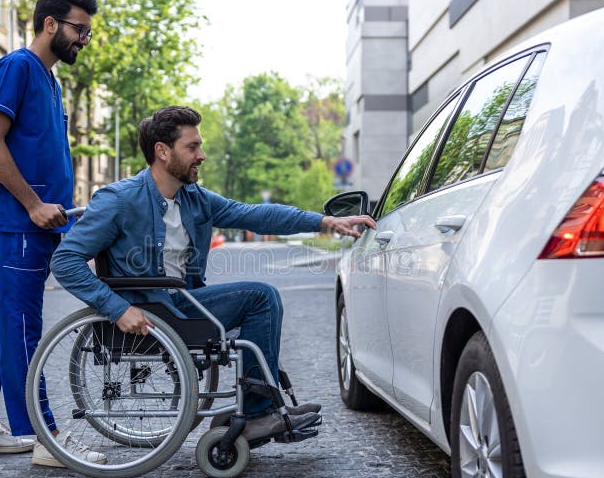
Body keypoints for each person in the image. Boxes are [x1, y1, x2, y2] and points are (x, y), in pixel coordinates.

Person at [50, 106, 376, 442]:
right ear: (162, 152)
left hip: (181, 304)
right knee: (261, 296)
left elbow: (255, 215)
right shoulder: (119, 200)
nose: (201, 155)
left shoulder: (193, 198)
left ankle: (257, 407)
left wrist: (325, 221)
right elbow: (65, 261)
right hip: (149, 310)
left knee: (262, 299)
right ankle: (257, 412)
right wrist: (116, 308)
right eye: (192, 148)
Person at [0, 0, 105, 467]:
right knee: (22, 328)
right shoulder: (17, 66)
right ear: (50, 24)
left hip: (41, 225)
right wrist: (32, 204)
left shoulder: (50, 78)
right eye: (79, 29)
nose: (84, 39)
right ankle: (45, 437)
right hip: (19, 225)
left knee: (3, 323)